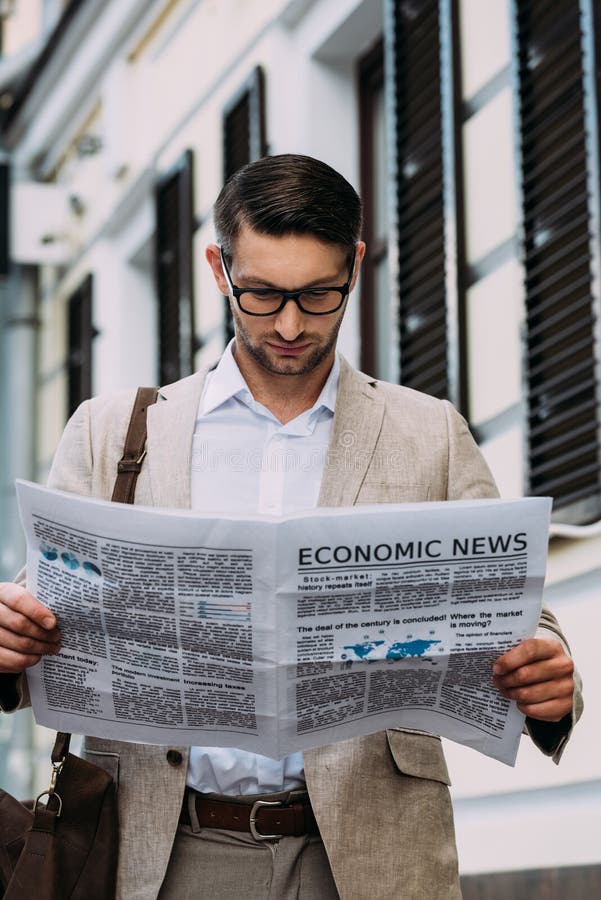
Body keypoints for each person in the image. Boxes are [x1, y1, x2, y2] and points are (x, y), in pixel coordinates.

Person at [0, 154, 582, 900]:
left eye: (318, 295)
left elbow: (520, 616)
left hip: (369, 853)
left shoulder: (428, 433)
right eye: (261, 293)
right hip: (166, 852)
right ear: (218, 267)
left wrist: (550, 675)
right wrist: (12, 637)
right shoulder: (113, 431)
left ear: (356, 264)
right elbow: (41, 603)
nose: (287, 324)